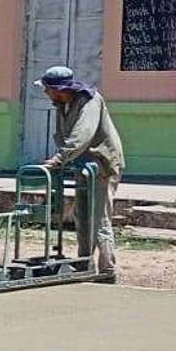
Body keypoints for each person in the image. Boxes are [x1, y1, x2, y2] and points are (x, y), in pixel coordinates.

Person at [35, 66, 124, 277]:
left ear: (59, 89)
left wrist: (59, 158)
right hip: (82, 164)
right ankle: (84, 263)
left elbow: (82, 135)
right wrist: (61, 161)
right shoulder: (61, 105)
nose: (45, 93)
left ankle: (107, 269)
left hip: (102, 164)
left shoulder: (89, 101)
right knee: (81, 215)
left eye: (47, 89)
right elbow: (62, 135)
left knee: (99, 218)